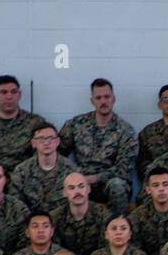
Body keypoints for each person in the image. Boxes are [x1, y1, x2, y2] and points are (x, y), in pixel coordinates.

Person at [58, 78, 136, 211]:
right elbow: (57, 153)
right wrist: (75, 177)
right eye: (98, 98)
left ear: (114, 98)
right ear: (92, 101)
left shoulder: (125, 130)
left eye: (107, 97)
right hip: (78, 180)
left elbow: (123, 169)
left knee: (117, 185)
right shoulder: (77, 124)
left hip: (107, 183)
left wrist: (93, 178)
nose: (103, 101)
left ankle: (118, 227)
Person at [10, 122, 77, 213]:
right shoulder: (21, 171)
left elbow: (76, 201)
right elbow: (15, 203)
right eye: (41, 139)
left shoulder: (71, 170)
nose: (46, 143)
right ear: (33, 143)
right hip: (32, 222)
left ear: (57, 142)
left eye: (51, 138)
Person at [128, 166, 168, 255]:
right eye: (155, 185)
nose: (161, 189)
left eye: (165, 184)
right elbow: (134, 249)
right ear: (148, 189)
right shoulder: (138, 216)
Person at [51, 172, 109, 255]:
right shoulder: (54, 218)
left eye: (81, 186)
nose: (77, 192)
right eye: (71, 188)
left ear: (89, 189)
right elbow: (53, 252)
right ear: (64, 193)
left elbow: (106, 251)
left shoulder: (104, 215)